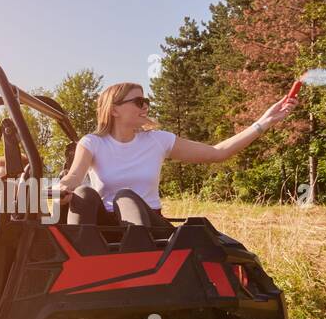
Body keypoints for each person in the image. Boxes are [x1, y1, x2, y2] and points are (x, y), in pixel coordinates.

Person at [55, 81, 300, 226]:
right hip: (103, 225)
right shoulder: (93, 142)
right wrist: (62, 188)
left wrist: (265, 121)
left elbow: (218, 152)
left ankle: (140, 268)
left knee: (127, 198)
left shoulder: (158, 140)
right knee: (84, 194)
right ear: (115, 110)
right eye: (139, 101)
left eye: (146, 101)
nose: (146, 107)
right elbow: (75, 177)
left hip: (147, 225)